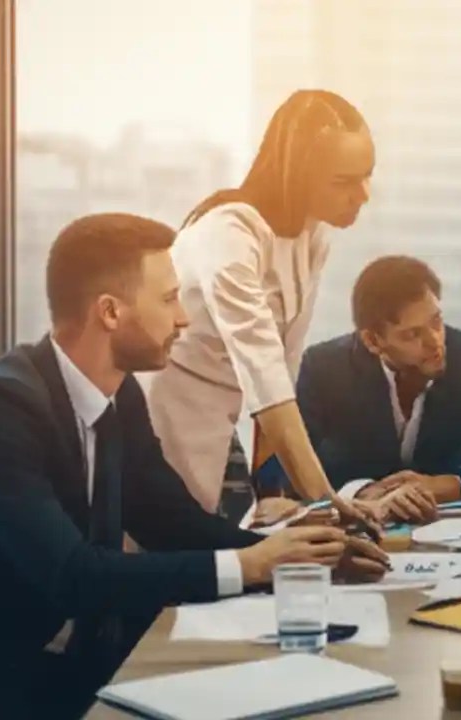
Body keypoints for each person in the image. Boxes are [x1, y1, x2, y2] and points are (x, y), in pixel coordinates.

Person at [0, 214, 389, 719]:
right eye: (169, 299)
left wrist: (296, 557)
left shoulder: (118, 394)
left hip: (73, 669)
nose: (184, 319)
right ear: (110, 312)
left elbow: (173, 523)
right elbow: (73, 577)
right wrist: (253, 564)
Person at [143, 89, 379, 527]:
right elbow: (265, 378)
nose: (363, 194)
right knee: (171, 552)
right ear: (298, 174)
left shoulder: (313, 235)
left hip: (237, 419)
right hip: (174, 409)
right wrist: (326, 501)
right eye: (344, 182)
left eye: (368, 176)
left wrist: (275, 493)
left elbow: (283, 372)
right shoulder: (229, 234)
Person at [263, 256, 461, 523]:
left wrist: (451, 484)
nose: (435, 342)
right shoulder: (325, 367)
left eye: (436, 321)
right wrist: (364, 492)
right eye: (412, 334)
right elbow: (288, 467)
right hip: (355, 528)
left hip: (448, 530)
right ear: (372, 340)